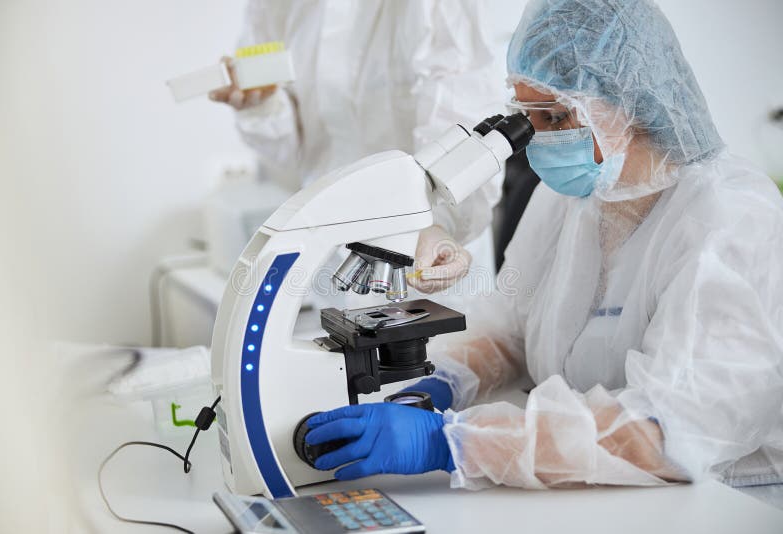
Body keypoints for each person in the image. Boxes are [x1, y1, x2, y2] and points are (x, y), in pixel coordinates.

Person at [304, 0, 783, 500]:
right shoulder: (569, 200)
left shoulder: (730, 216)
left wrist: (455, 444)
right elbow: (508, 331)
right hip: (595, 492)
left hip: (724, 500)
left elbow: (670, 430)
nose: (540, 143)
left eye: (555, 116)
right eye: (529, 118)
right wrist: (436, 386)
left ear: (631, 104)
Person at [210, 0, 529, 296]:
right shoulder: (276, 6)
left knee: (434, 349)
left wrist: (437, 222)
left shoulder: (434, 8)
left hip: (431, 248)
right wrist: (262, 105)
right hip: (331, 245)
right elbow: (292, 148)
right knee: (336, 347)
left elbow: (463, 126)